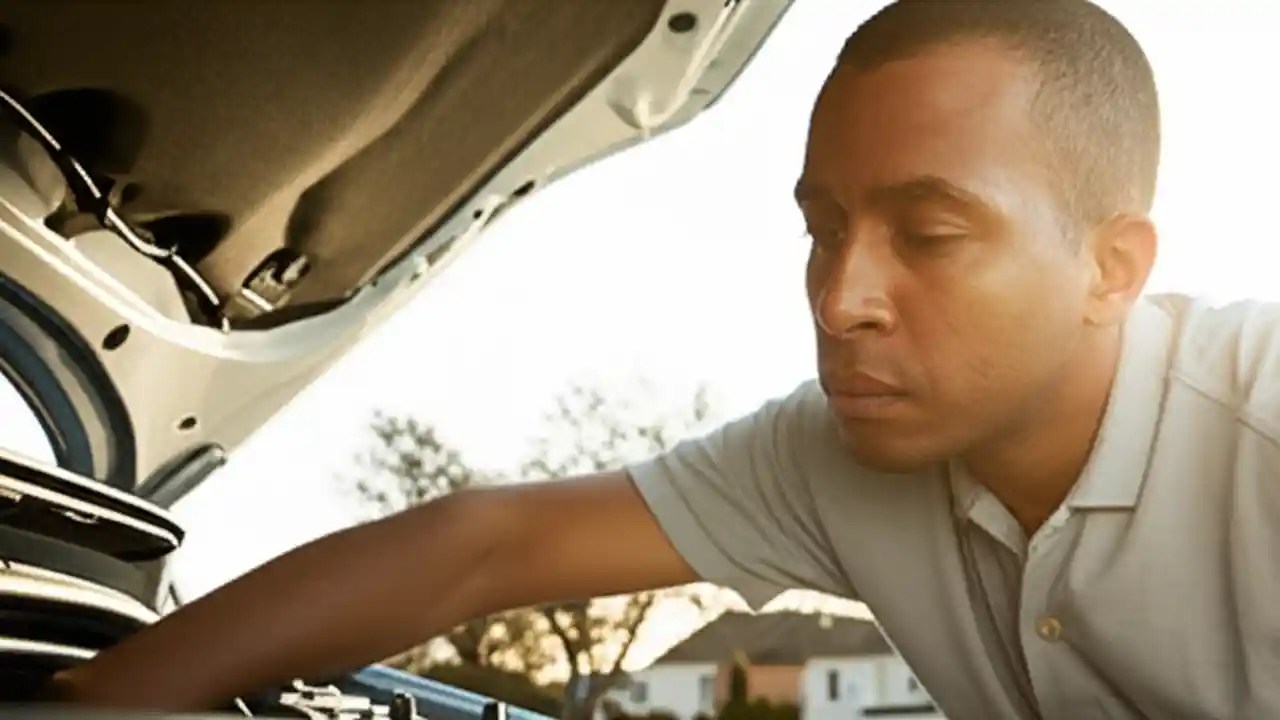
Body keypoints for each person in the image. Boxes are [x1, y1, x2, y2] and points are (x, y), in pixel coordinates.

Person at [51, 1, 1280, 718]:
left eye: (932, 234)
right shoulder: (837, 449)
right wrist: (98, 709)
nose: (841, 298)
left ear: (1112, 268)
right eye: (822, 230)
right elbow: (486, 547)